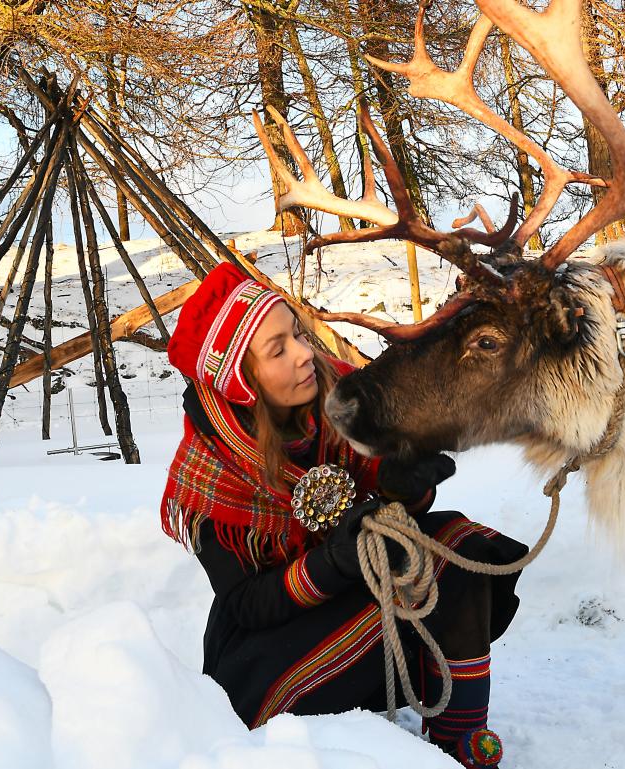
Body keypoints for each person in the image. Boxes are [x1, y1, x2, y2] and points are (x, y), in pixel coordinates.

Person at [160, 262, 527, 768]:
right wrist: (334, 562)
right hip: (270, 639)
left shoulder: (346, 399)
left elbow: (388, 525)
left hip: (356, 589)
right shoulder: (210, 477)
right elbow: (245, 603)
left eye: (296, 333)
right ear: (244, 382)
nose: (305, 354)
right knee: (274, 702)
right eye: (278, 350)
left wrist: (402, 490)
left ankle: (459, 741)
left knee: (457, 549)